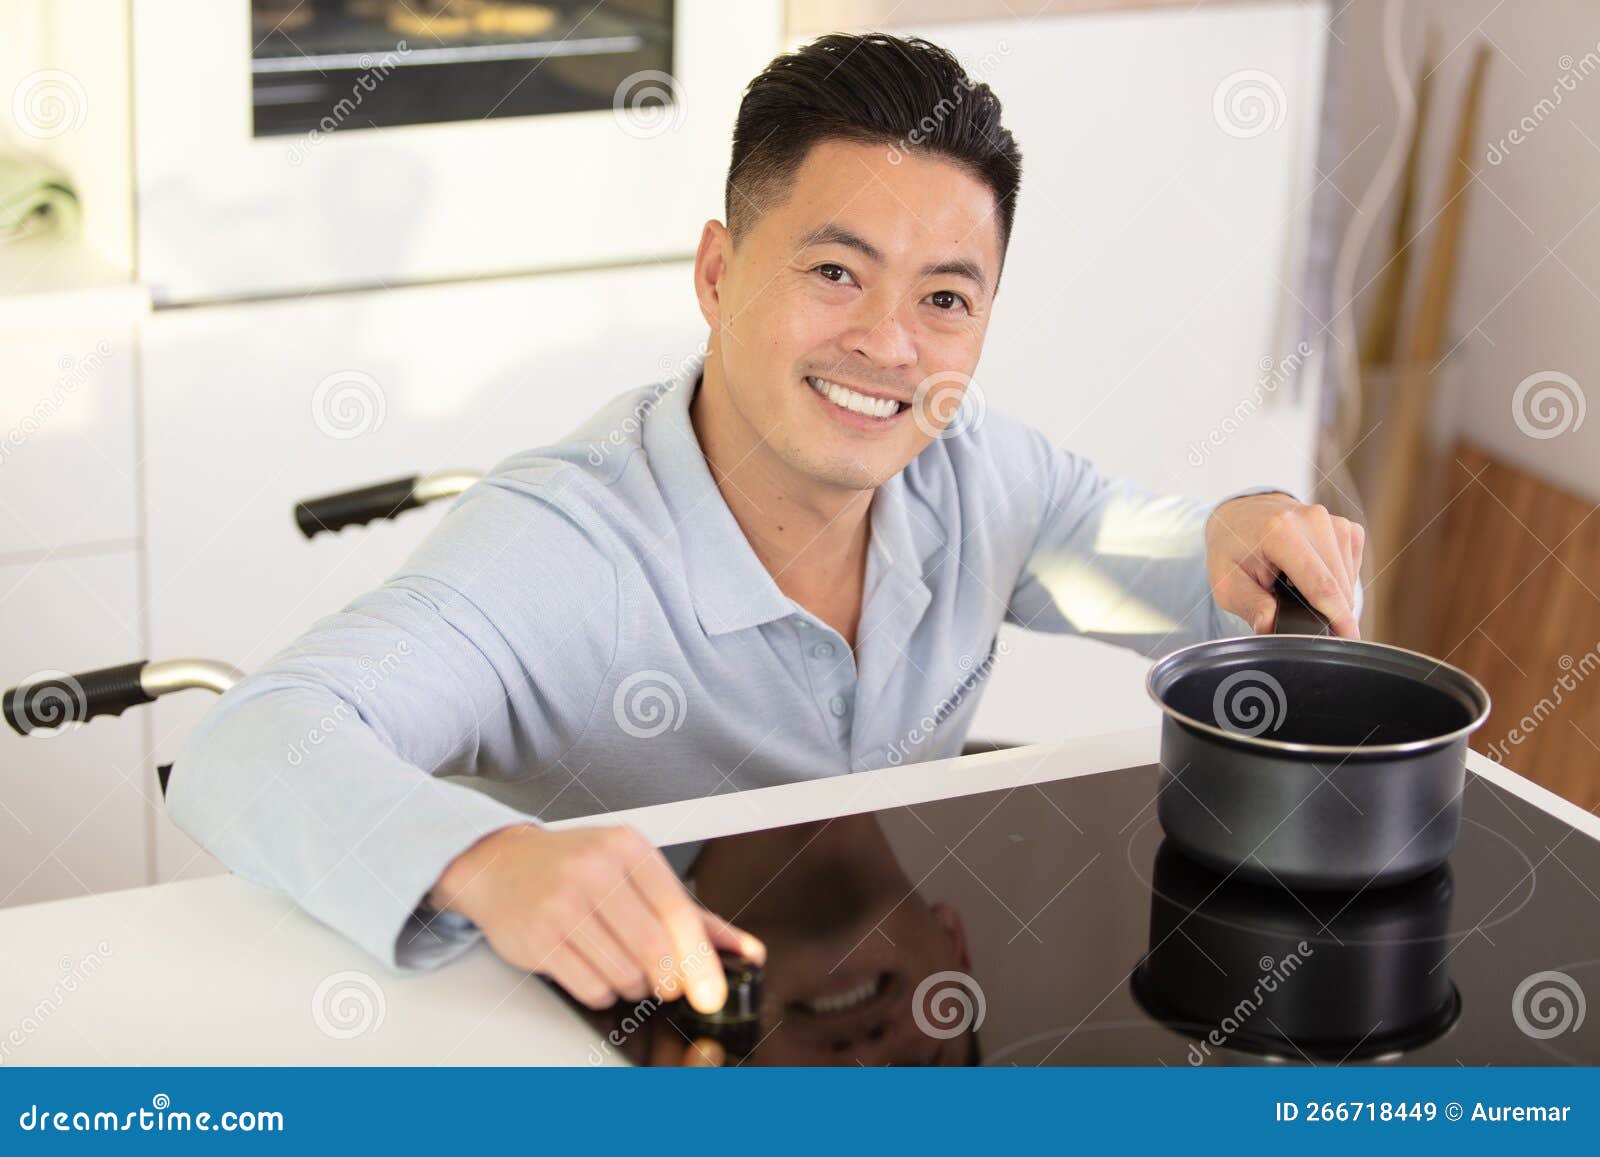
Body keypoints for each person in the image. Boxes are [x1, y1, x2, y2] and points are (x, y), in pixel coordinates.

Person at [169, 33, 1364, 1018]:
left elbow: (1143, 557)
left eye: (944, 297)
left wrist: (1232, 535)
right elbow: (254, 741)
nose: (890, 342)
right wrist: (488, 860)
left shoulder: (972, 468)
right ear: (717, 273)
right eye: (836, 272)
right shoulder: (560, 550)